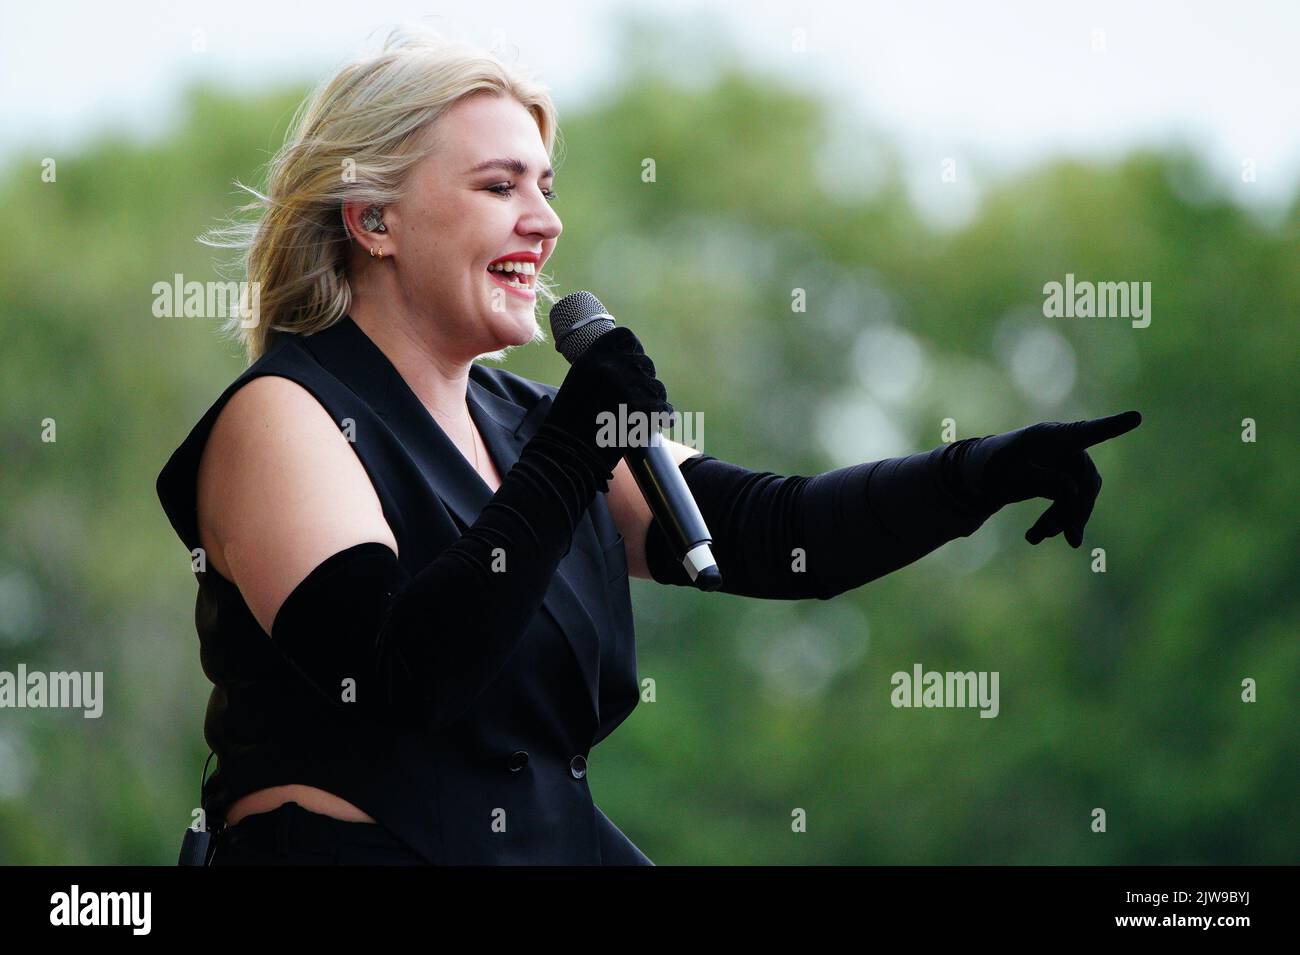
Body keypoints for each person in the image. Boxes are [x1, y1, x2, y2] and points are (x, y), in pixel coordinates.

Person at [156, 28, 1141, 866]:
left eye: (544, 187)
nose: (544, 223)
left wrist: (981, 470)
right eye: (500, 187)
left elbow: (775, 533)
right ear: (373, 218)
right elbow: (386, 673)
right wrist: (578, 449)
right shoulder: (287, 414)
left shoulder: (533, 424)